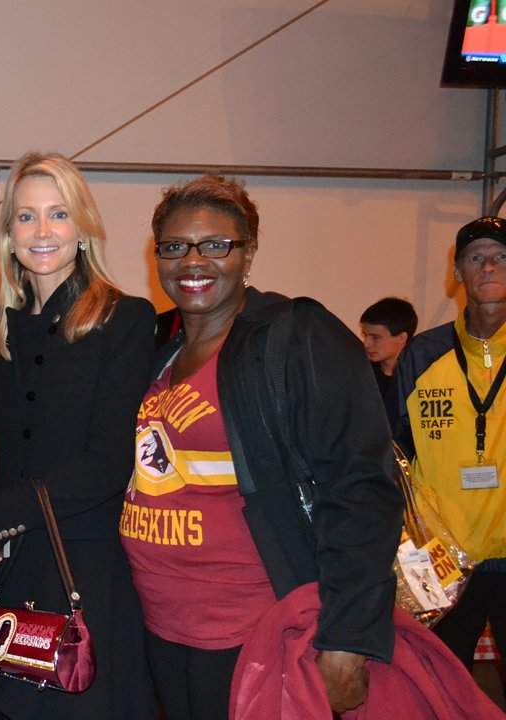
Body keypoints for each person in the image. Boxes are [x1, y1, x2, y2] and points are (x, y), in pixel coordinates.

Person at [120, 175, 402, 719]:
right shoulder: (159, 345)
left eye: (217, 245)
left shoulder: (293, 336)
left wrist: (348, 636)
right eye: (175, 247)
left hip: (254, 628)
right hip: (158, 624)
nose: (193, 261)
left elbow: (362, 485)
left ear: (249, 253)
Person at [0, 153, 157, 719]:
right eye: (26, 217)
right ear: (7, 235)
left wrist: (0, 512)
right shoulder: (0, 328)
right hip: (13, 561)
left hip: (86, 564)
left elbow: (110, 460)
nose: (42, 231)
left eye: (58, 214)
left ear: (82, 229)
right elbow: (11, 450)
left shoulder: (126, 318)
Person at [395, 216, 506, 671]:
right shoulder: (423, 354)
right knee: (442, 684)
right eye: (475, 258)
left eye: (501, 258)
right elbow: (394, 452)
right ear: (456, 272)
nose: (488, 268)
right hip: (444, 558)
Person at [360, 297, 418, 429]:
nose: (366, 344)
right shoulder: (360, 375)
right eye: (365, 335)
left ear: (402, 338)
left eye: (375, 337)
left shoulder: (420, 378)